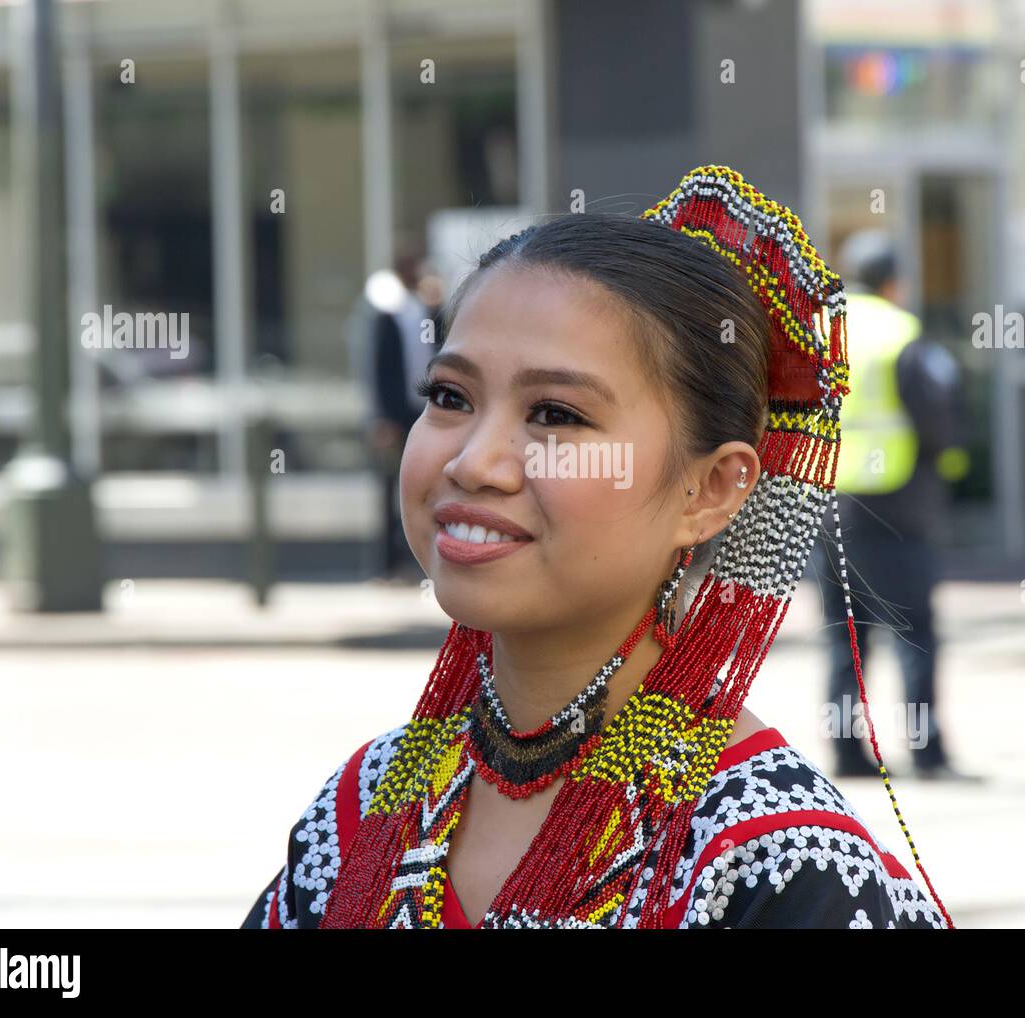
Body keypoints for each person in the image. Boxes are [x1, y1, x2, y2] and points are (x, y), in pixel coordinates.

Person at [242, 166, 952, 929]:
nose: (474, 462)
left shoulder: (775, 863)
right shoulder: (361, 810)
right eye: (450, 397)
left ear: (709, 490)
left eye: (555, 414)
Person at [811, 229, 981, 784]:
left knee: (844, 636)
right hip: (894, 504)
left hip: (826, 501)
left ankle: (845, 752)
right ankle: (926, 751)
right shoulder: (900, 331)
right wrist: (949, 464)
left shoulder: (818, 330)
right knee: (913, 633)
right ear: (894, 283)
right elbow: (937, 416)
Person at [366, 251, 445, 581]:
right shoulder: (388, 315)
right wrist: (382, 417)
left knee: (435, 485)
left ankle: (428, 562)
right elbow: (379, 370)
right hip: (397, 414)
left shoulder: (431, 310)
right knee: (392, 488)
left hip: (430, 409)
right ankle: (389, 564)